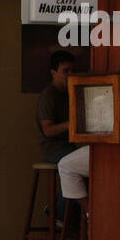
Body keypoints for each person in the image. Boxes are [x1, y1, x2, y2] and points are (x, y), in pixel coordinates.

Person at [37, 50, 87, 221]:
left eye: (73, 71)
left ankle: (67, 215)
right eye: (66, 71)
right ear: (53, 72)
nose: (70, 75)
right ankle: (58, 212)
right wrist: (71, 124)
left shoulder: (69, 93)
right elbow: (48, 130)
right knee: (74, 169)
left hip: (68, 146)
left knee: (84, 169)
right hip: (53, 149)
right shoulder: (49, 95)